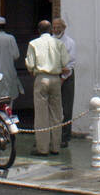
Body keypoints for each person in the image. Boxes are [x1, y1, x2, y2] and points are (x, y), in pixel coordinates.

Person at [25, 19, 68, 157]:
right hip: (56, 79)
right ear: (50, 30)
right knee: (56, 113)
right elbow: (65, 62)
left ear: (38, 31)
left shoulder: (34, 44)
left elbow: (30, 65)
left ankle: (42, 148)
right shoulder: (59, 44)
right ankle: (56, 146)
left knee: (41, 115)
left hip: (41, 78)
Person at [52, 17, 77, 148]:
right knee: (53, 108)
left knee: (67, 108)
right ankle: (53, 135)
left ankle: (65, 136)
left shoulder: (70, 43)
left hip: (67, 78)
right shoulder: (49, 41)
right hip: (53, 76)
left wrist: (62, 77)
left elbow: (70, 64)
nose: (56, 29)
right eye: (54, 27)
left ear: (63, 28)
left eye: (58, 27)